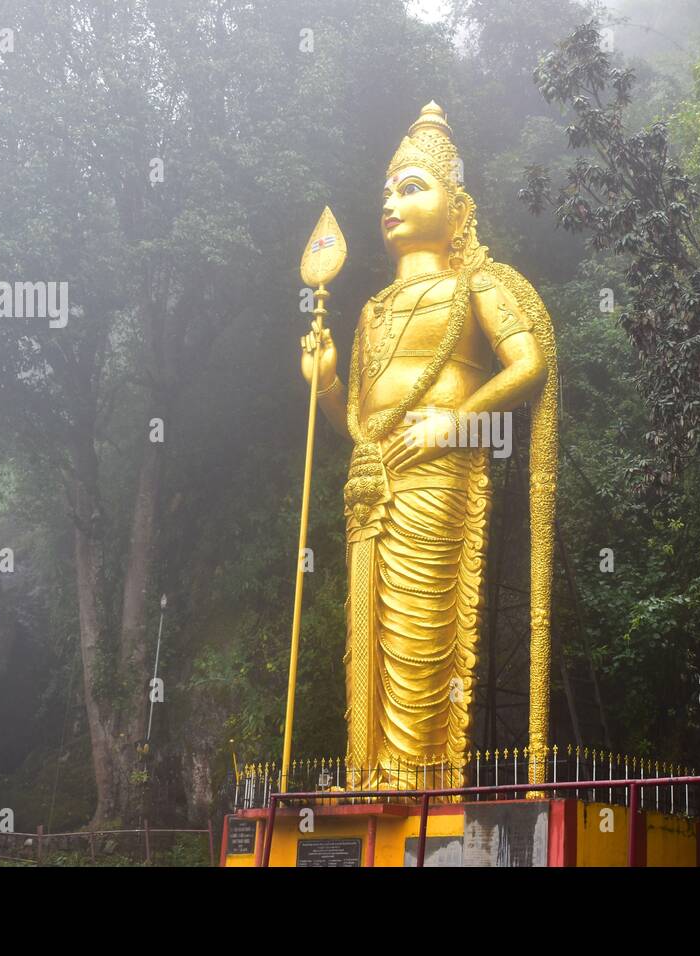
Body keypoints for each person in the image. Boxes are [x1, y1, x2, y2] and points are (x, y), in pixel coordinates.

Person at [299, 102, 558, 790]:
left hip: (438, 473)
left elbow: (528, 365)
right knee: (365, 642)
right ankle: (367, 773)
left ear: (459, 207)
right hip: (371, 477)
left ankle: (416, 780)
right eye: (388, 190)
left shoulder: (474, 285)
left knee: (417, 639)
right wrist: (325, 384)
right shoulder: (371, 311)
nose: (392, 201)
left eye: (413, 186)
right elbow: (355, 420)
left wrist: (458, 421)